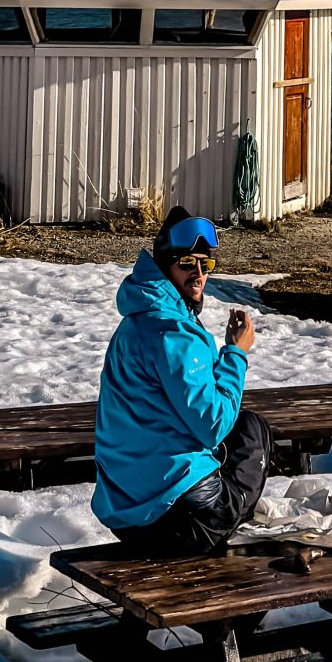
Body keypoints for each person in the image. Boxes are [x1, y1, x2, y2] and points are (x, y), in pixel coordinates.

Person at [92, 205, 268, 555]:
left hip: (125, 514)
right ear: (165, 267)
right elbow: (213, 424)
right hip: (182, 519)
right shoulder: (174, 333)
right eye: (187, 264)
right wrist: (236, 354)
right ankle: (227, 535)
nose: (198, 274)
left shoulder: (135, 323)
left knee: (232, 432)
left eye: (206, 264)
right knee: (251, 430)